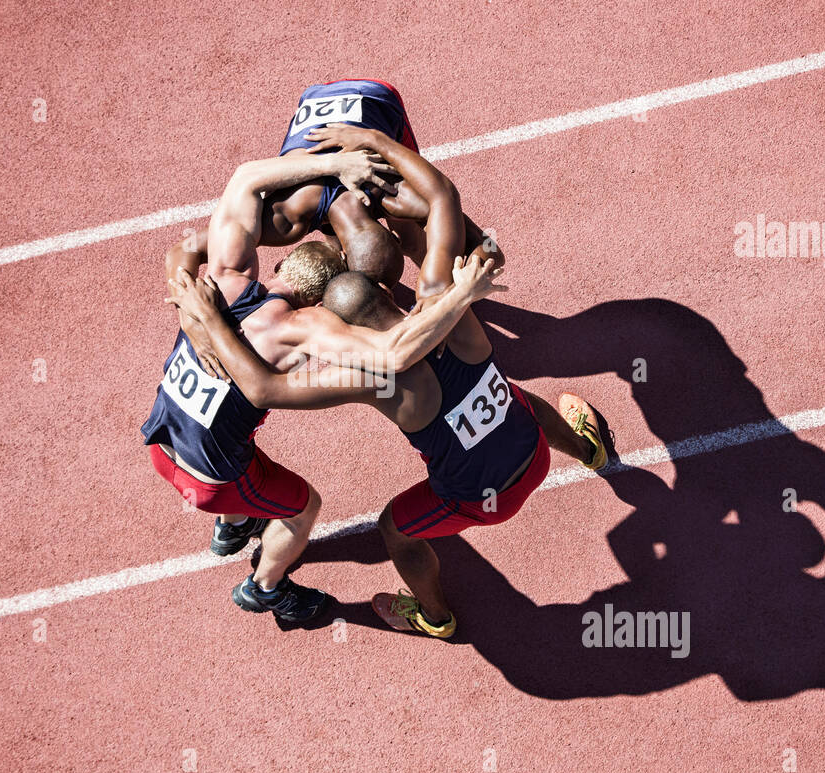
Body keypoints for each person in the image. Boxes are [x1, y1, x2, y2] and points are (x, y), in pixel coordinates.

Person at [168, 138, 609, 638]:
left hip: (483, 500)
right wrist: (376, 143)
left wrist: (207, 319)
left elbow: (264, 389)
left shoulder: (375, 382)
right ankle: (589, 451)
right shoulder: (448, 304)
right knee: (518, 400)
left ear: (340, 328)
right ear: (384, 292)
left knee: (395, 531)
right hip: (533, 451)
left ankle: (435, 618)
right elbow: (442, 197)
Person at [143, 148, 507, 625]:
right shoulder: (303, 328)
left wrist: (333, 166)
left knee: (234, 438)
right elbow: (395, 355)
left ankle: (233, 526)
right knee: (302, 509)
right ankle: (265, 588)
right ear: (321, 304)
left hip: (161, 439)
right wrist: (461, 297)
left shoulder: (224, 279)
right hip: (209, 479)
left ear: (281, 265)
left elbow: (246, 178)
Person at [166, 78, 502, 289]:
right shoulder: (287, 217)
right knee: (421, 239)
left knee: (413, 239)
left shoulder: (290, 216)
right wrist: (459, 281)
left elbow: (185, 249)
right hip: (363, 98)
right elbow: (488, 248)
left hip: (362, 99)